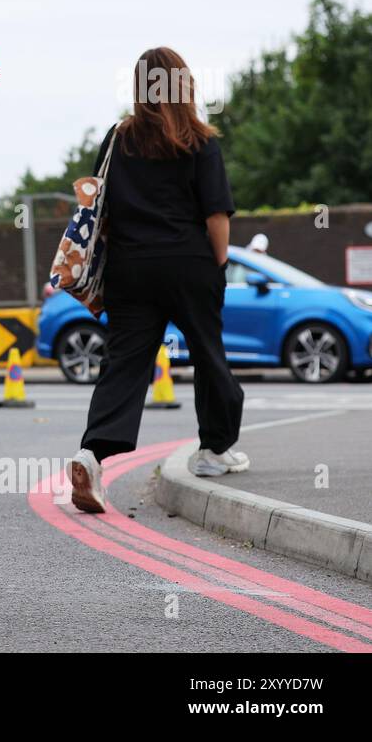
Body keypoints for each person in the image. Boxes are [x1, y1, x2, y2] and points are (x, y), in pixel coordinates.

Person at [67, 48, 247, 513]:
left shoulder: (116, 141)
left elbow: (98, 206)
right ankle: (214, 451)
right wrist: (218, 264)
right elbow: (216, 215)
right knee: (208, 353)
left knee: (125, 362)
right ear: (185, 85)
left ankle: (93, 453)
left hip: (131, 267)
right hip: (189, 263)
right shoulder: (200, 141)